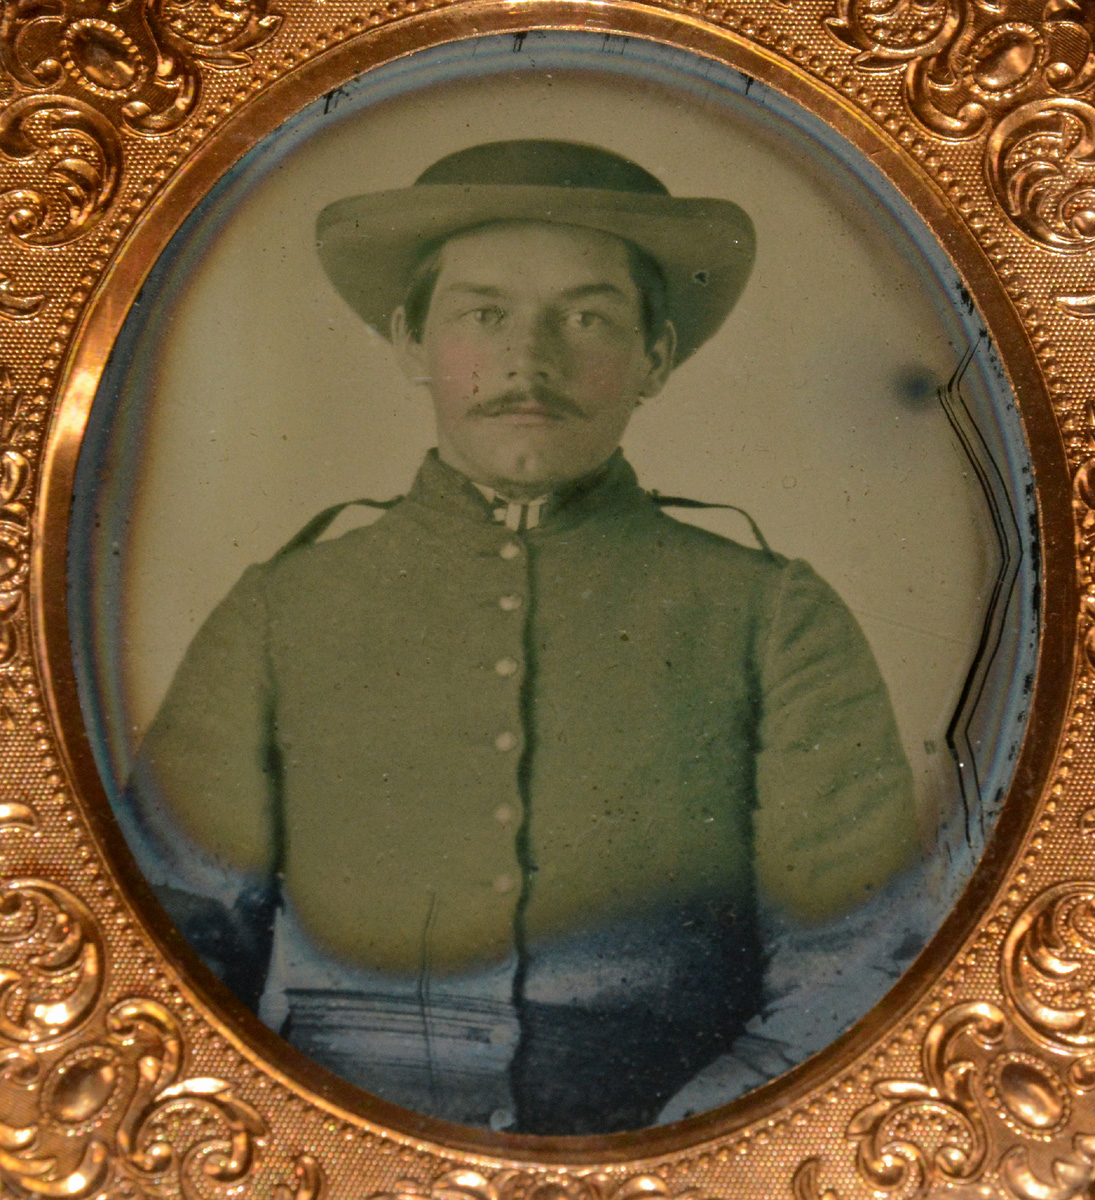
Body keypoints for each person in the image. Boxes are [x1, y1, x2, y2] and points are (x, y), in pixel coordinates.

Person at [124, 140, 918, 1136]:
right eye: (483, 314)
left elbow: (858, 963)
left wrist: (679, 1151)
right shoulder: (283, 606)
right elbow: (162, 934)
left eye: (586, 317)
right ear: (410, 342)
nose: (527, 360)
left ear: (656, 357)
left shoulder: (772, 615)